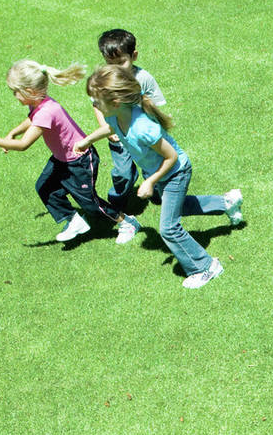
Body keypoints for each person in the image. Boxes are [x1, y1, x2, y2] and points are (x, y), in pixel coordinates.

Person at [76, 64, 243, 289]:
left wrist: (150, 181)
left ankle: (206, 267)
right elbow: (110, 128)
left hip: (175, 172)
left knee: (169, 228)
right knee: (179, 207)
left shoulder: (143, 127)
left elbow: (171, 157)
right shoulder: (117, 116)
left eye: (96, 101)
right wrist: (88, 140)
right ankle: (226, 203)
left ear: (115, 102)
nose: (94, 105)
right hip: (161, 174)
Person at [0, 59, 140, 244]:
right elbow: (33, 119)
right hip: (62, 159)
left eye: (15, 92)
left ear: (30, 91)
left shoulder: (46, 111)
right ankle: (74, 221)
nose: (14, 95)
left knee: (89, 202)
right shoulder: (39, 104)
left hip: (79, 161)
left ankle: (127, 223)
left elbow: (24, 144)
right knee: (45, 187)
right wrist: (13, 132)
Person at [94, 29, 168, 213]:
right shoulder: (105, 80)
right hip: (118, 135)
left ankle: (156, 190)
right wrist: (105, 127)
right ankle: (117, 202)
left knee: (152, 167)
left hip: (142, 138)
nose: (116, 69)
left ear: (134, 56)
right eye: (110, 63)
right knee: (123, 174)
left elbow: (156, 106)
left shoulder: (143, 78)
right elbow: (97, 104)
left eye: (121, 62)